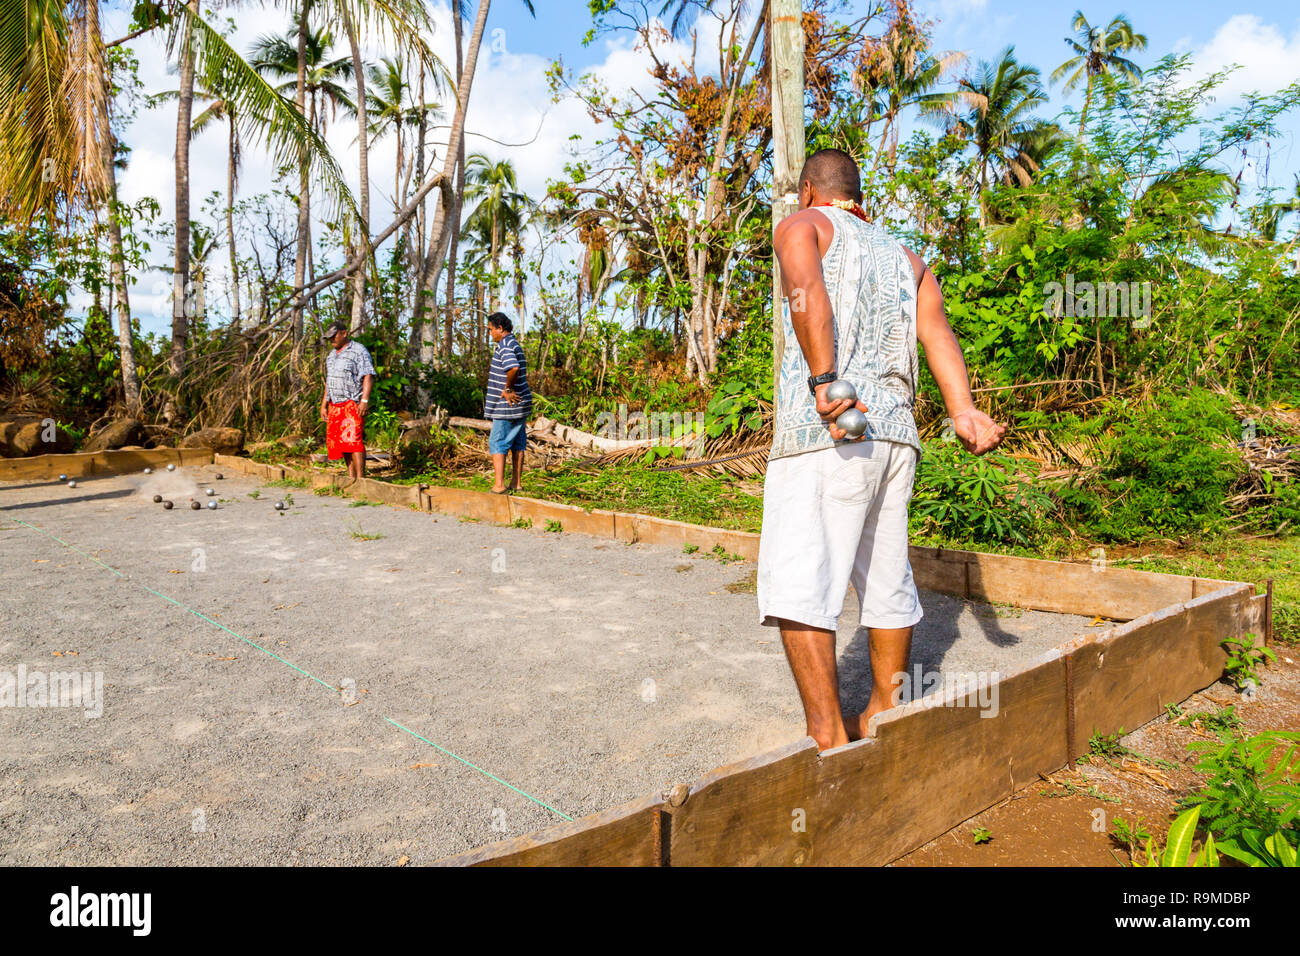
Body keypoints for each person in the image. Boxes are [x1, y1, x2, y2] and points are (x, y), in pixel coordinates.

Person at [761, 148, 1006, 752]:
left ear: (808, 192)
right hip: (895, 437)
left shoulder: (801, 225)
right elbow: (939, 336)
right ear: (856, 193)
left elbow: (804, 287)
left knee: (801, 578)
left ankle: (826, 735)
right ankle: (881, 716)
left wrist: (826, 384)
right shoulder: (909, 260)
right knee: (886, 578)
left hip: (831, 431)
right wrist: (963, 411)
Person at [320, 322, 376, 481]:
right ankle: (351, 478)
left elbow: (368, 375)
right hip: (335, 404)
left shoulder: (358, 351)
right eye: (329, 338)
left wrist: (364, 400)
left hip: (352, 402)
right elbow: (329, 382)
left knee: (354, 440)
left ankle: (361, 479)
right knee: (342, 442)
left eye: (334, 336)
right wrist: (324, 404)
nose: (331, 340)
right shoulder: (331, 356)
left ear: (344, 333)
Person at [484, 312, 532, 494]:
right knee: (518, 443)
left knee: (498, 442)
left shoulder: (505, 346)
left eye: (490, 330)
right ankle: (516, 483)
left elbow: (513, 367)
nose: (490, 334)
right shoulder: (514, 343)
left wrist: (508, 388)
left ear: (500, 329)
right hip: (520, 404)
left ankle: (499, 485)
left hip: (507, 405)